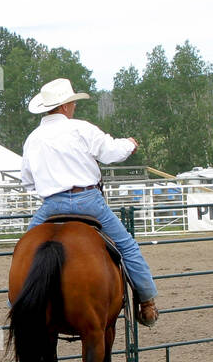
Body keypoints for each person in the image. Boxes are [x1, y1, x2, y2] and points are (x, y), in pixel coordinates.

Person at [20, 78, 159, 327]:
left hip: (51, 205)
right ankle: (147, 302)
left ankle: (17, 309)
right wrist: (129, 144)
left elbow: (28, 181)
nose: (73, 107)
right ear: (64, 107)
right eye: (71, 103)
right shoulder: (81, 129)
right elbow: (111, 152)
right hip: (89, 202)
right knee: (127, 247)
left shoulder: (33, 139)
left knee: (23, 254)